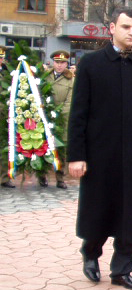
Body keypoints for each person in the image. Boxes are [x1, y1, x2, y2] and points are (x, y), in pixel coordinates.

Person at [67, 7, 132, 290]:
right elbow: (78, 114)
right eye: (126, 27)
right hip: (99, 155)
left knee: (131, 214)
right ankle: (90, 253)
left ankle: (122, 269)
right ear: (112, 27)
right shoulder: (91, 64)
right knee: (97, 209)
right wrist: (76, 155)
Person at [47, 50, 75, 189]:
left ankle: (60, 178)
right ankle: (42, 176)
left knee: (61, 149)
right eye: (57, 62)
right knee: (44, 147)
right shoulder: (46, 76)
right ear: (53, 62)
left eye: (62, 63)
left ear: (66, 64)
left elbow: (70, 102)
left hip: (62, 119)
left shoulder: (71, 79)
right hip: (45, 116)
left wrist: (58, 114)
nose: (59, 65)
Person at [1, 45, 15, 189]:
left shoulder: (7, 74)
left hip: (4, 115)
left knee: (5, 147)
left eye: (1, 58)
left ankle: (4, 178)